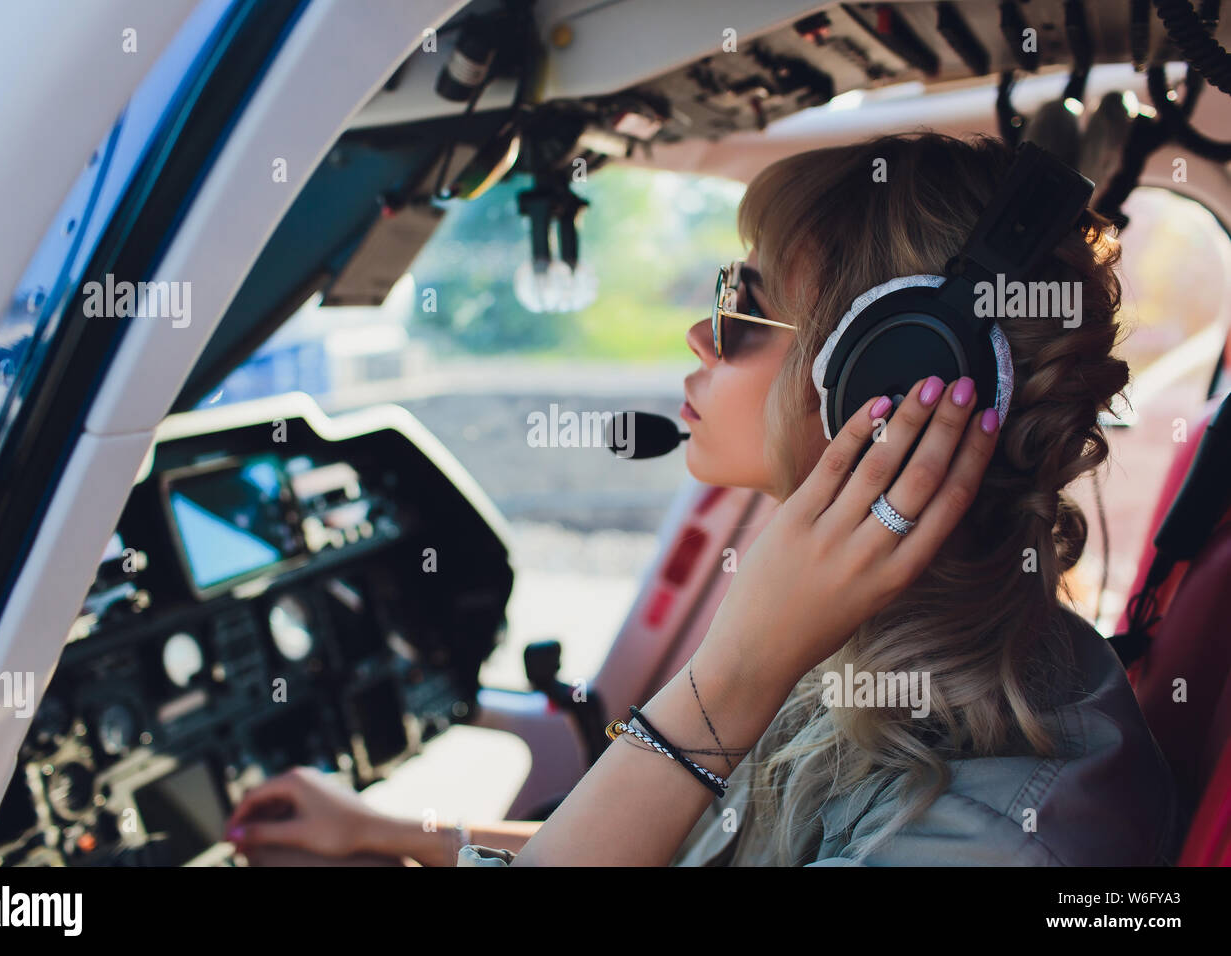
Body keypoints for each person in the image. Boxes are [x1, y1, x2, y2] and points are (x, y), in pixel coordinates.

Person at [224, 132, 1181, 866]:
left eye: (741, 304)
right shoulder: (890, 650)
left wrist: (726, 682)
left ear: (889, 380)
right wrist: (384, 832)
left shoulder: (998, 831)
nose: (697, 332)